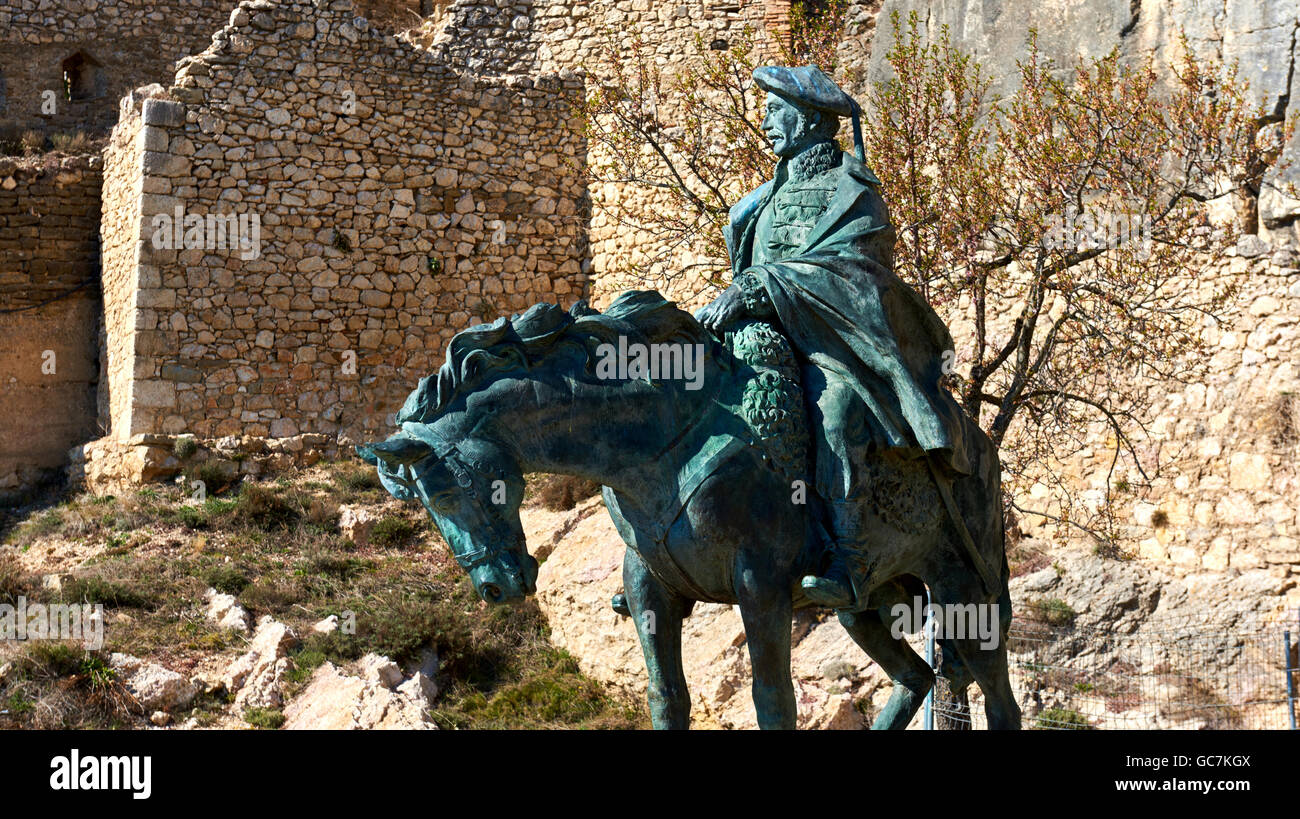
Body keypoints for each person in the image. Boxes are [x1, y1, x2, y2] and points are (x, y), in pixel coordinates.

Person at [695, 65, 971, 609]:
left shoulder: (854, 193)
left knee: (835, 413)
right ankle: (678, 550)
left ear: (809, 120)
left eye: (777, 111)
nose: (766, 122)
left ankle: (849, 556)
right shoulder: (759, 202)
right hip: (762, 338)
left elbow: (858, 275)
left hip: (833, 344)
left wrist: (759, 284)